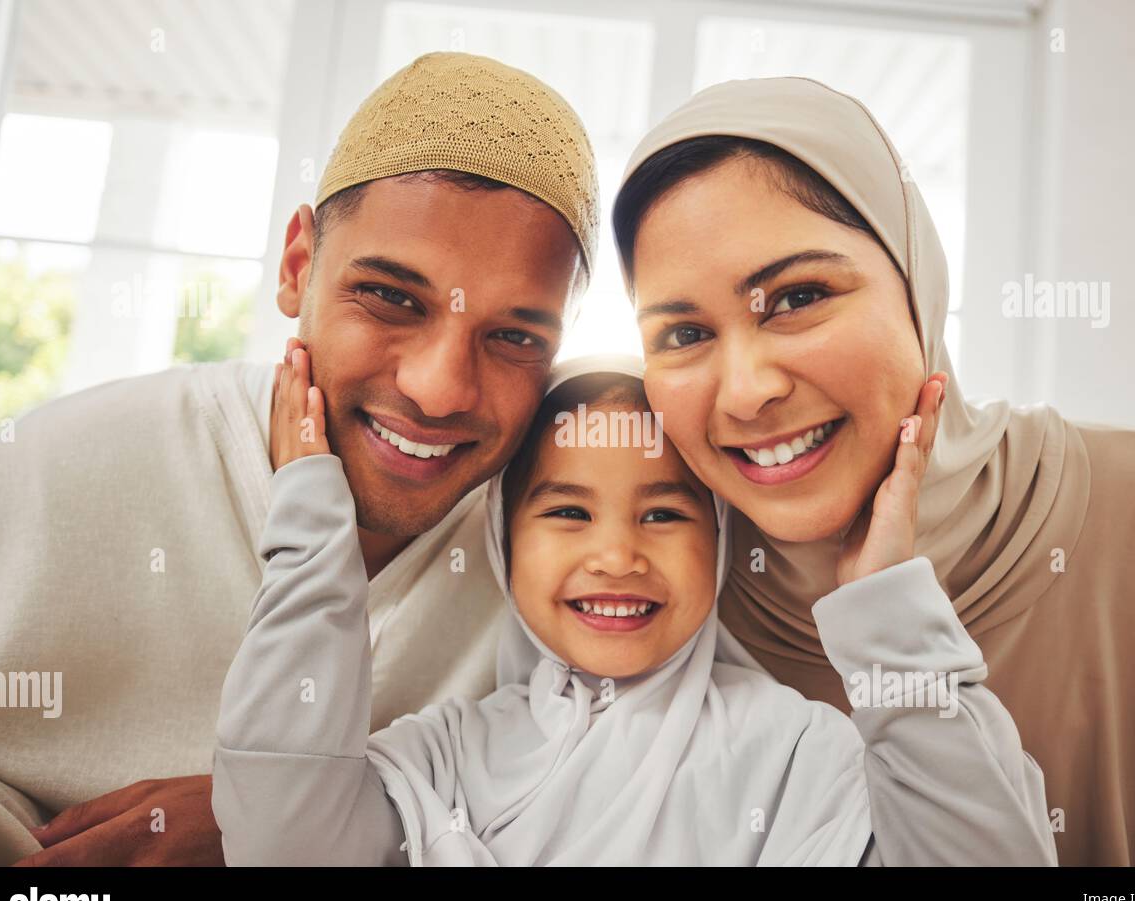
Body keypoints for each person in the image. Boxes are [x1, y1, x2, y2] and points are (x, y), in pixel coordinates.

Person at [0, 51, 598, 866]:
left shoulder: (574, 549)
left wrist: (276, 817)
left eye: (514, 337)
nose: (438, 390)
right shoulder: (60, 471)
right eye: (392, 297)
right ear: (298, 264)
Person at [610, 76, 1135, 865]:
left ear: (921, 286)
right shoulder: (646, 603)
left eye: (798, 296)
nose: (747, 392)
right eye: (681, 334)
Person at [211, 350, 1056, 865]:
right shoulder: (444, 755)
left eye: (663, 513)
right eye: (568, 512)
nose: (617, 556)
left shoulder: (802, 750)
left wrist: (886, 610)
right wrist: (311, 533)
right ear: (505, 546)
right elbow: (282, 840)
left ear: (721, 542)